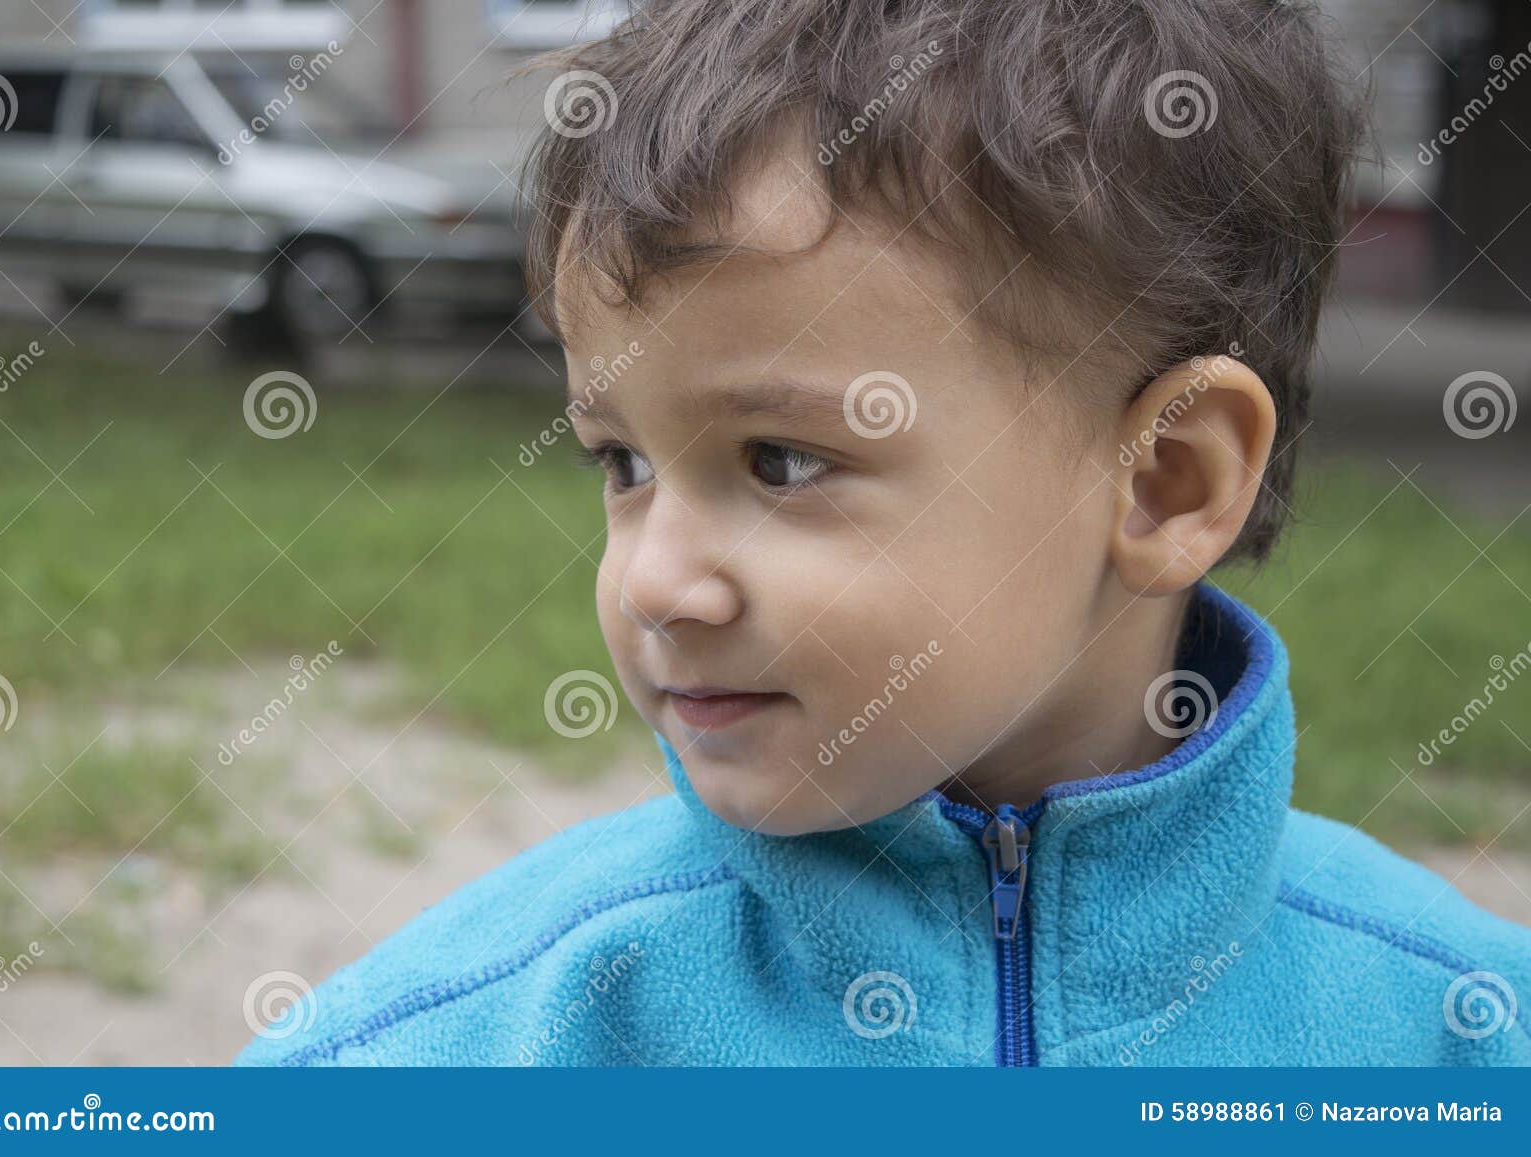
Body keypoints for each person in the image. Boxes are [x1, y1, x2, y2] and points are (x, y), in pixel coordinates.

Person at [237, 0, 1531, 1065]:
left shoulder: (1456, 1037)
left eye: (783, 461)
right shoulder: (482, 1045)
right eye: (621, 463)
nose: (656, 583)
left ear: (1166, 482)